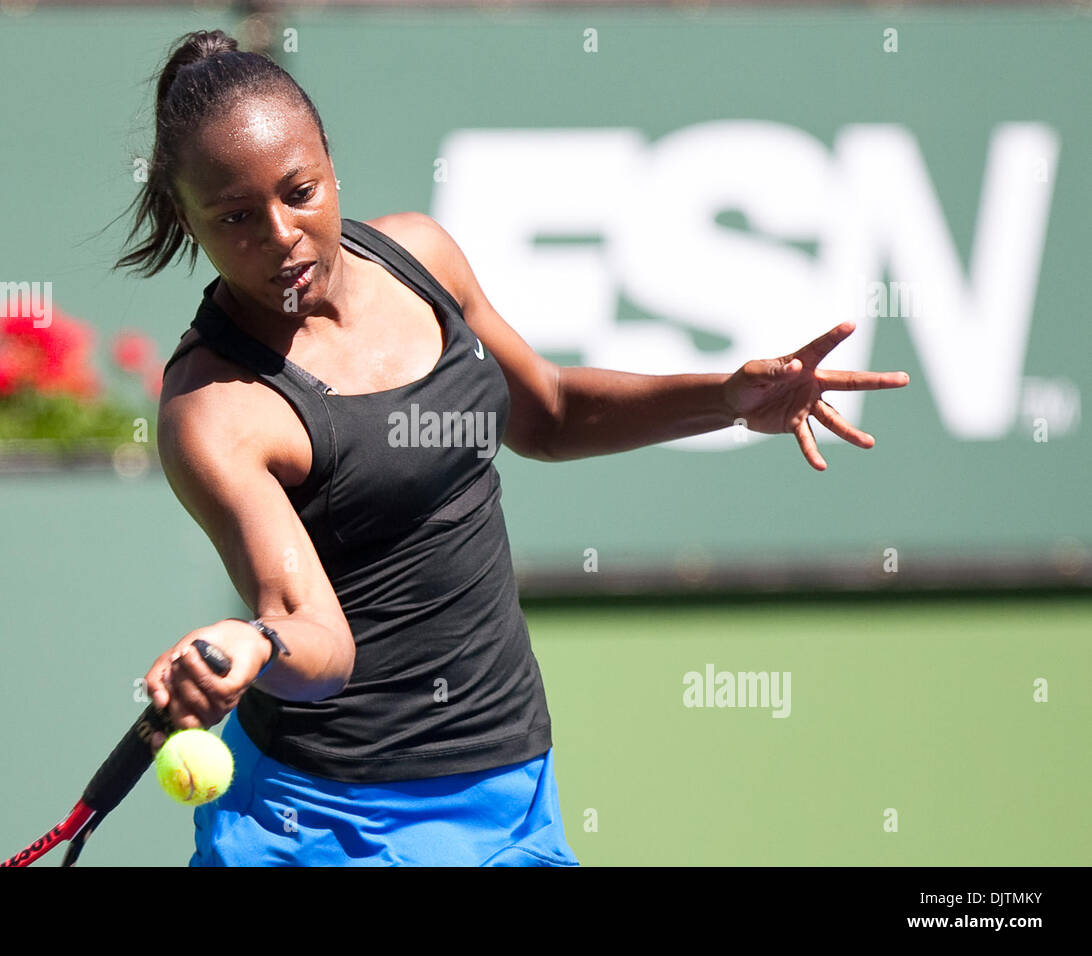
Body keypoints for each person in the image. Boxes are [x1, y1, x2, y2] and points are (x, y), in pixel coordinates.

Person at [114, 30, 910, 867]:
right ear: (186, 219)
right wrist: (257, 644)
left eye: (300, 192)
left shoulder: (421, 256)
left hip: (511, 784)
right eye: (236, 217)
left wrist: (725, 399)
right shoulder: (214, 410)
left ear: (330, 165)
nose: (282, 234)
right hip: (328, 823)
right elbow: (319, 639)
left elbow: (550, 414)